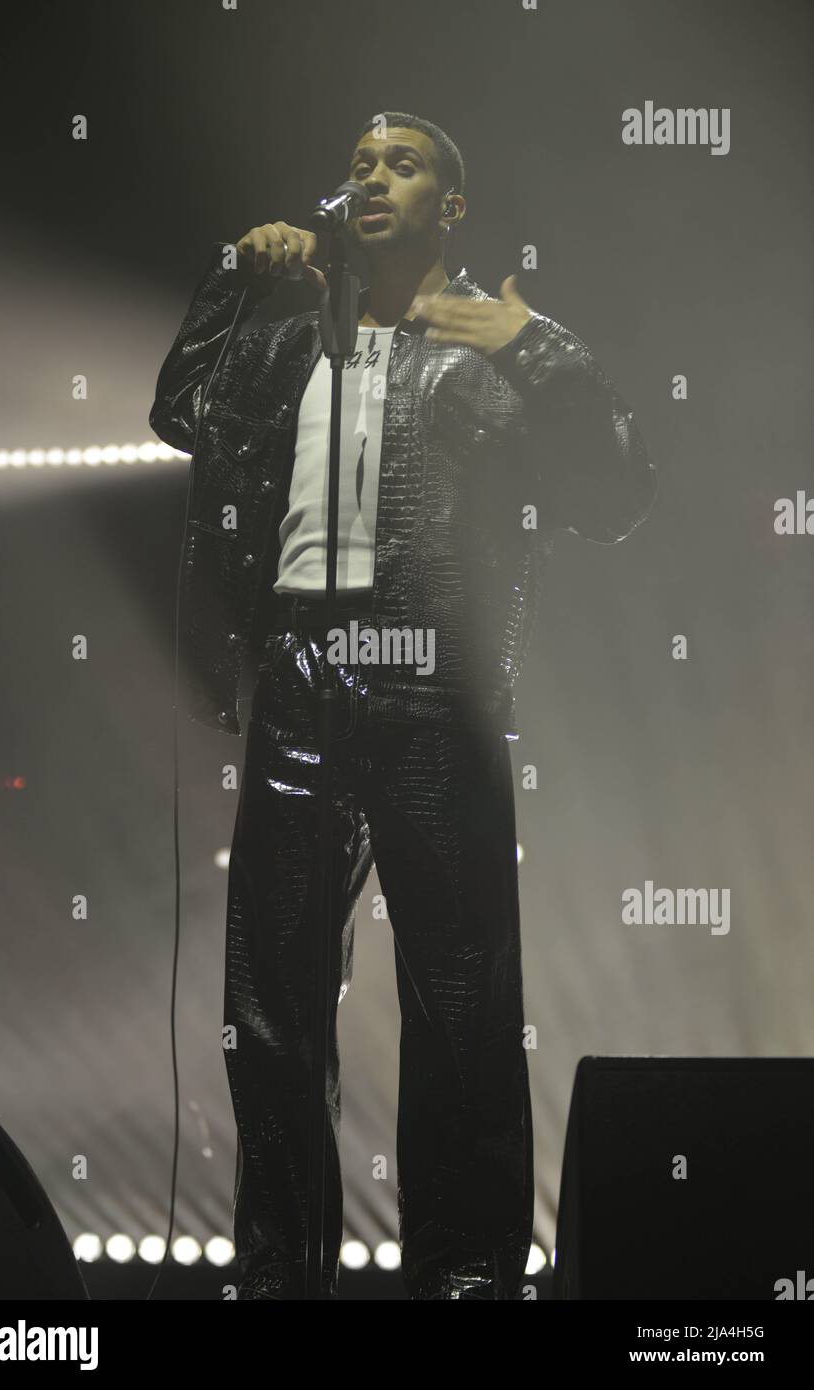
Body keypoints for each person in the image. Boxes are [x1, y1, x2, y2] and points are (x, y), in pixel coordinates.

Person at [149, 111, 657, 1300]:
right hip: (301, 681)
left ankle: (468, 1273)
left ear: (453, 203)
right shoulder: (284, 344)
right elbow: (181, 412)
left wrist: (533, 343)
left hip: (435, 681)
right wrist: (235, 272)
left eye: (404, 163)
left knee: (460, 997)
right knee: (270, 1005)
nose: (372, 178)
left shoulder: (491, 341)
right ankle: (280, 1271)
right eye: (361, 163)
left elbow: (620, 489)